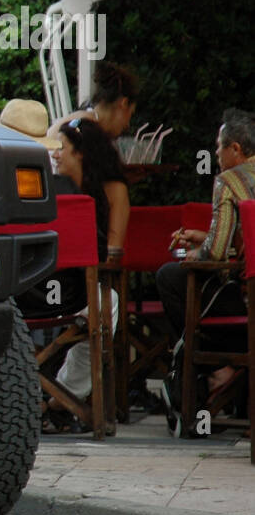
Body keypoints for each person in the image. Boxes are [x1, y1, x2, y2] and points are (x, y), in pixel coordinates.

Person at [157, 108, 255, 402]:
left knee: (169, 277)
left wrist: (194, 252)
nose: (215, 154)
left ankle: (218, 364)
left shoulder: (230, 181)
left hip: (246, 300)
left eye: (217, 147)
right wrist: (204, 237)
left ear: (235, 149)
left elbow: (216, 251)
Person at [44, 118, 129, 431]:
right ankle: (62, 401)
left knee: (107, 304)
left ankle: (58, 400)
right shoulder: (47, 191)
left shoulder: (111, 190)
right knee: (107, 304)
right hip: (43, 289)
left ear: (80, 153)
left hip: (82, 286)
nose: (54, 155)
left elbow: (114, 252)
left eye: (61, 148)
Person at [48, 61, 139, 140]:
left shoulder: (88, 122)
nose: (127, 124)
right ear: (124, 103)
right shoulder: (85, 126)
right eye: (130, 113)